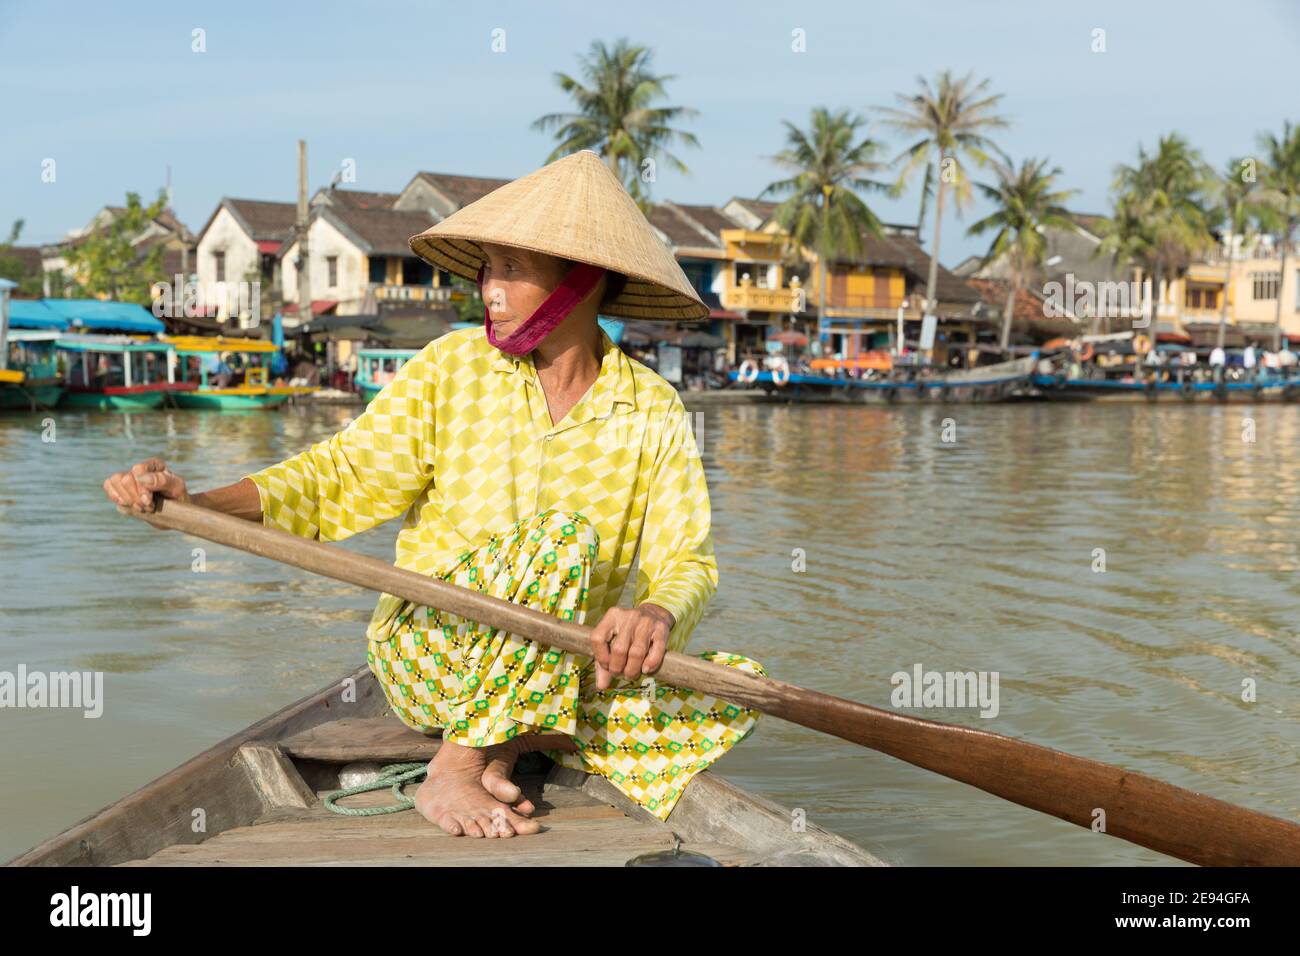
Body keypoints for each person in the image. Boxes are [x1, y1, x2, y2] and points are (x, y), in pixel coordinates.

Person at [103, 151, 764, 840]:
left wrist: (654, 614)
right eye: (487, 267)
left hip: (562, 660)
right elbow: (341, 477)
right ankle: (459, 760)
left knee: (737, 687)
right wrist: (199, 504)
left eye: (512, 269)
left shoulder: (652, 407)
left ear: (584, 280)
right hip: (434, 650)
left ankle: (515, 730)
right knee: (563, 543)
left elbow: (686, 558)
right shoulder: (452, 369)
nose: (490, 289)